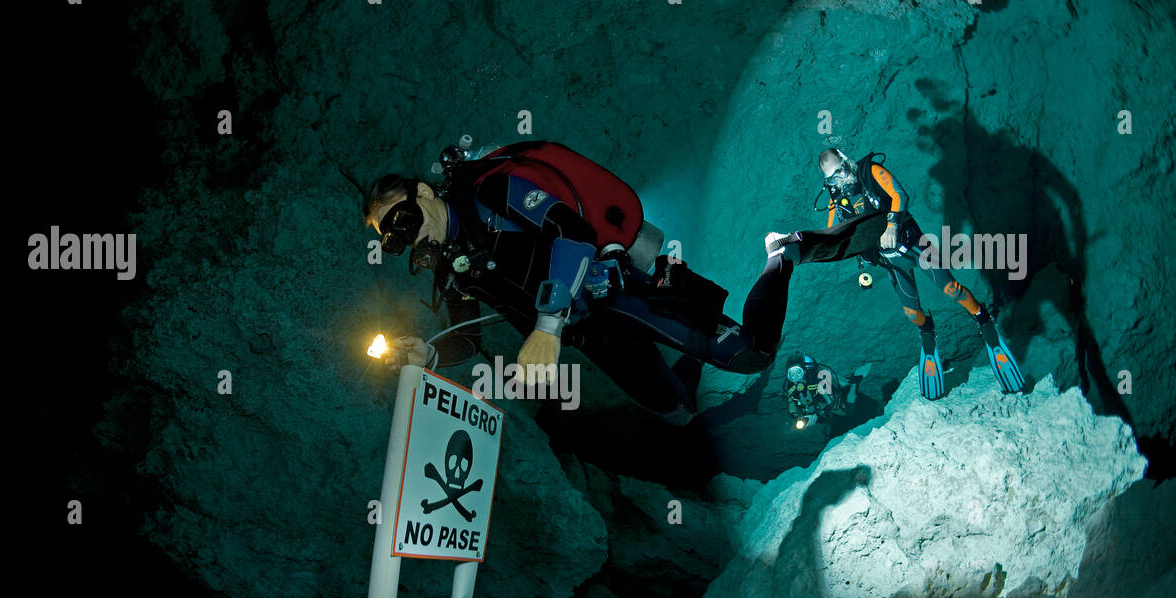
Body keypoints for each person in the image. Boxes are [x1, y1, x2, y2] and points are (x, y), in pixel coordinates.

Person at [363, 140, 893, 425]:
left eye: (401, 221)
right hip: (592, 335)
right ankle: (695, 356)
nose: (402, 240)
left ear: (425, 193)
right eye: (390, 240)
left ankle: (785, 252)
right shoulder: (454, 269)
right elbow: (468, 338)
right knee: (677, 412)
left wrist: (546, 325)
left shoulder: (494, 192)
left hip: (618, 292)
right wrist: (429, 356)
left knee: (754, 353)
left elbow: (571, 233)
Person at [818, 147, 1024, 397]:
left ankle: (982, 319)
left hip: (915, 244)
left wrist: (892, 223)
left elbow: (900, 195)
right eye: (831, 179)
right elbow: (832, 234)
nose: (838, 180)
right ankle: (927, 331)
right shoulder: (836, 196)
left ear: (845, 162)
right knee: (910, 312)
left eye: (839, 172)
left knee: (951, 289)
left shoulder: (870, 171)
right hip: (891, 261)